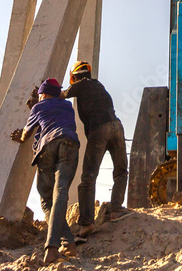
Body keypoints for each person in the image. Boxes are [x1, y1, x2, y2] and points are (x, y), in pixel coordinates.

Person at [10, 77, 79, 264]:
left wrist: (21, 136)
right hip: (70, 143)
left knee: (47, 200)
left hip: (48, 146)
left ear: (44, 94)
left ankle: (52, 248)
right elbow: (55, 116)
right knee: (61, 192)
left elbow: (26, 133)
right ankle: (69, 244)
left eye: (40, 95)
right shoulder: (68, 106)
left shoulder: (37, 108)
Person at [62, 61, 129, 237]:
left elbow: (62, 95)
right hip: (117, 126)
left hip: (100, 129)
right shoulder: (98, 85)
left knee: (88, 177)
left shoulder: (81, 85)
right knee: (121, 171)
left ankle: (86, 223)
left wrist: (42, 94)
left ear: (74, 77)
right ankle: (115, 210)